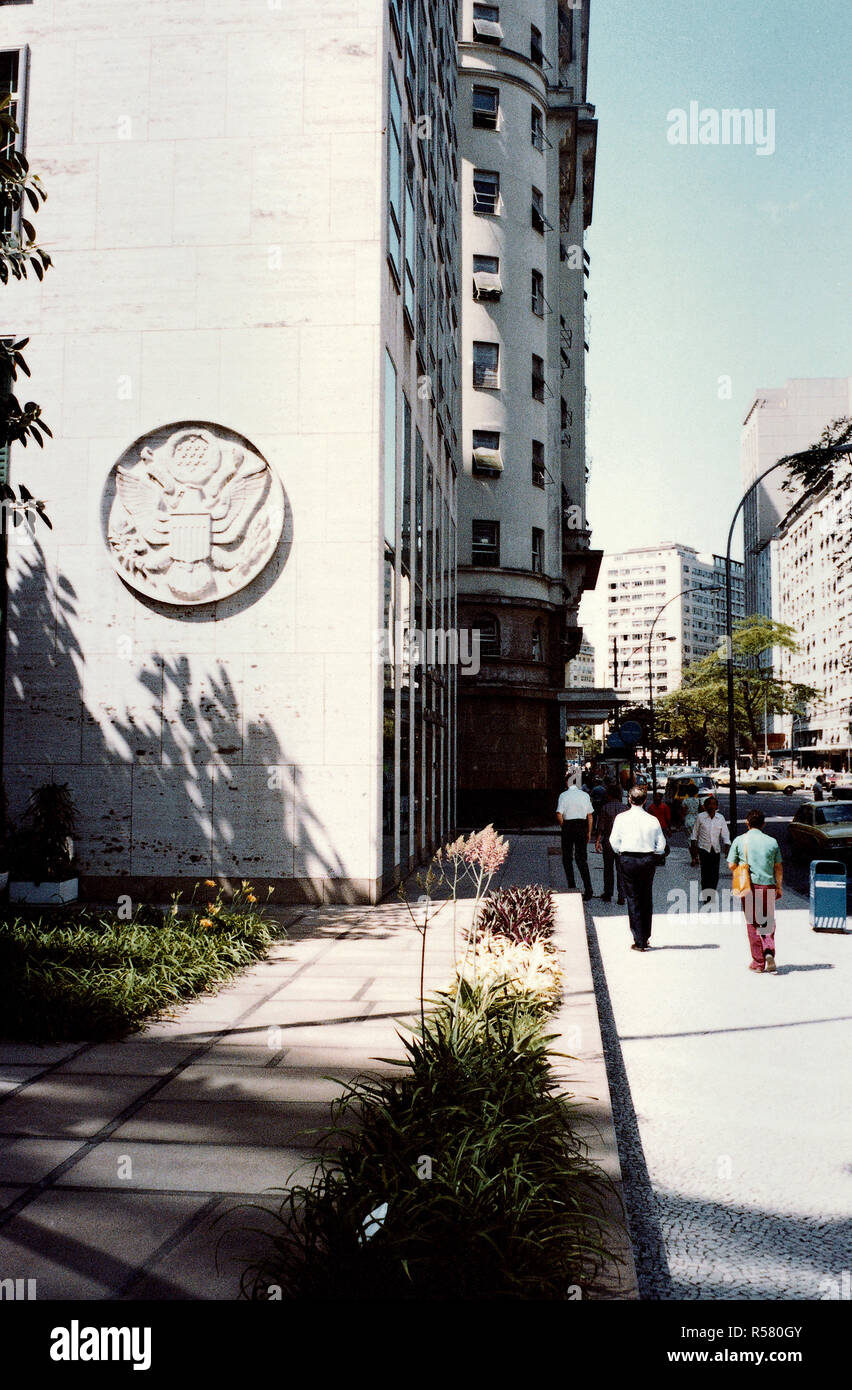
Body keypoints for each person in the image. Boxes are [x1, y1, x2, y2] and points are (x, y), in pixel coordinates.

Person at [609, 785, 667, 951]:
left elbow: (614, 841)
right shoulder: (652, 819)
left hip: (628, 859)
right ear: (645, 800)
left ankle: (638, 938)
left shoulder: (621, 818)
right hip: (647, 859)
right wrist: (654, 853)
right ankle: (645, 936)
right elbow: (661, 844)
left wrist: (621, 852)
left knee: (633, 898)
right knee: (646, 897)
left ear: (629, 799)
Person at [727, 808, 783, 974]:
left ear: (747, 823)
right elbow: (778, 867)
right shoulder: (772, 841)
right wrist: (779, 886)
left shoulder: (739, 840)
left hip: (749, 886)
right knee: (767, 921)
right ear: (764, 824)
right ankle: (768, 951)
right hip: (768, 885)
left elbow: (731, 864)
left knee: (752, 923)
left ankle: (758, 962)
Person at [556, 773, 594, 901]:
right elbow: (590, 816)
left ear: (567, 783)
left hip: (568, 826)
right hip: (582, 826)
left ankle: (572, 886)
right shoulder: (585, 795)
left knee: (567, 858)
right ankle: (588, 889)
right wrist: (589, 832)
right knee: (582, 859)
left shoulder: (563, 795)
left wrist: (564, 827)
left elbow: (559, 814)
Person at [595, 783, 627, 903]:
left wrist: (597, 841)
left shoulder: (605, 808)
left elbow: (601, 827)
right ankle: (621, 895)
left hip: (608, 842)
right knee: (621, 869)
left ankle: (608, 893)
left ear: (609, 795)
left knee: (608, 869)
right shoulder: (625, 808)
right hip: (622, 843)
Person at [693, 795, 730, 893]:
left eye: (713, 804)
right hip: (703, 849)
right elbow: (694, 834)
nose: (711, 806)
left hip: (715, 849)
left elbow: (725, 833)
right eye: (709, 804)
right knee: (705, 873)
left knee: (714, 874)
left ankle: (712, 892)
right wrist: (694, 851)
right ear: (705, 806)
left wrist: (727, 847)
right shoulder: (700, 817)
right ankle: (706, 895)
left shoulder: (720, 818)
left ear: (716, 807)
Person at [681, 782, 701, 866]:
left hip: (688, 820)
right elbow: (701, 810)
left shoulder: (685, 801)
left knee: (690, 840)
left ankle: (693, 858)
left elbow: (683, 812)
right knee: (697, 840)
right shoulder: (698, 801)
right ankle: (697, 857)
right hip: (697, 820)